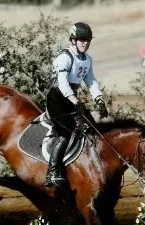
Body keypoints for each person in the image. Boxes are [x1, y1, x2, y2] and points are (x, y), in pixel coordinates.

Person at [44, 22, 108, 189]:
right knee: (65, 133)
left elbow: (91, 81)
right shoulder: (64, 57)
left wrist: (99, 100)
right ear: (73, 40)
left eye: (87, 40)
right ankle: (52, 172)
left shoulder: (87, 60)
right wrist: (76, 102)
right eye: (81, 40)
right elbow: (63, 84)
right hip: (57, 99)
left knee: (93, 128)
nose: (85, 43)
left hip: (72, 98)